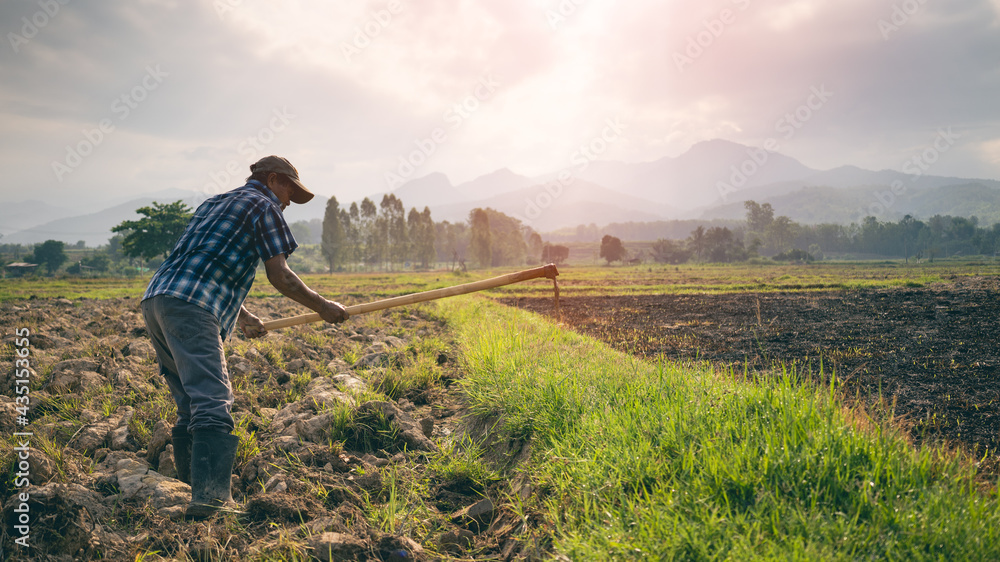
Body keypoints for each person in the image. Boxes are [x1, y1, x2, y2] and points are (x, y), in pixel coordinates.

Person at [140, 155, 348, 519]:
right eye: (289, 191)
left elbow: (205, 261)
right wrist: (322, 306)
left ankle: (194, 493)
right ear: (272, 180)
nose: (287, 202)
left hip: (159, 300)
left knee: (191, 403)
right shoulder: (264, 206)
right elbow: (280, 275)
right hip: (192, 306)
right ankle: (211, 503)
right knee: (213, 400)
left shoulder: (214, 203)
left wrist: (244, 315)